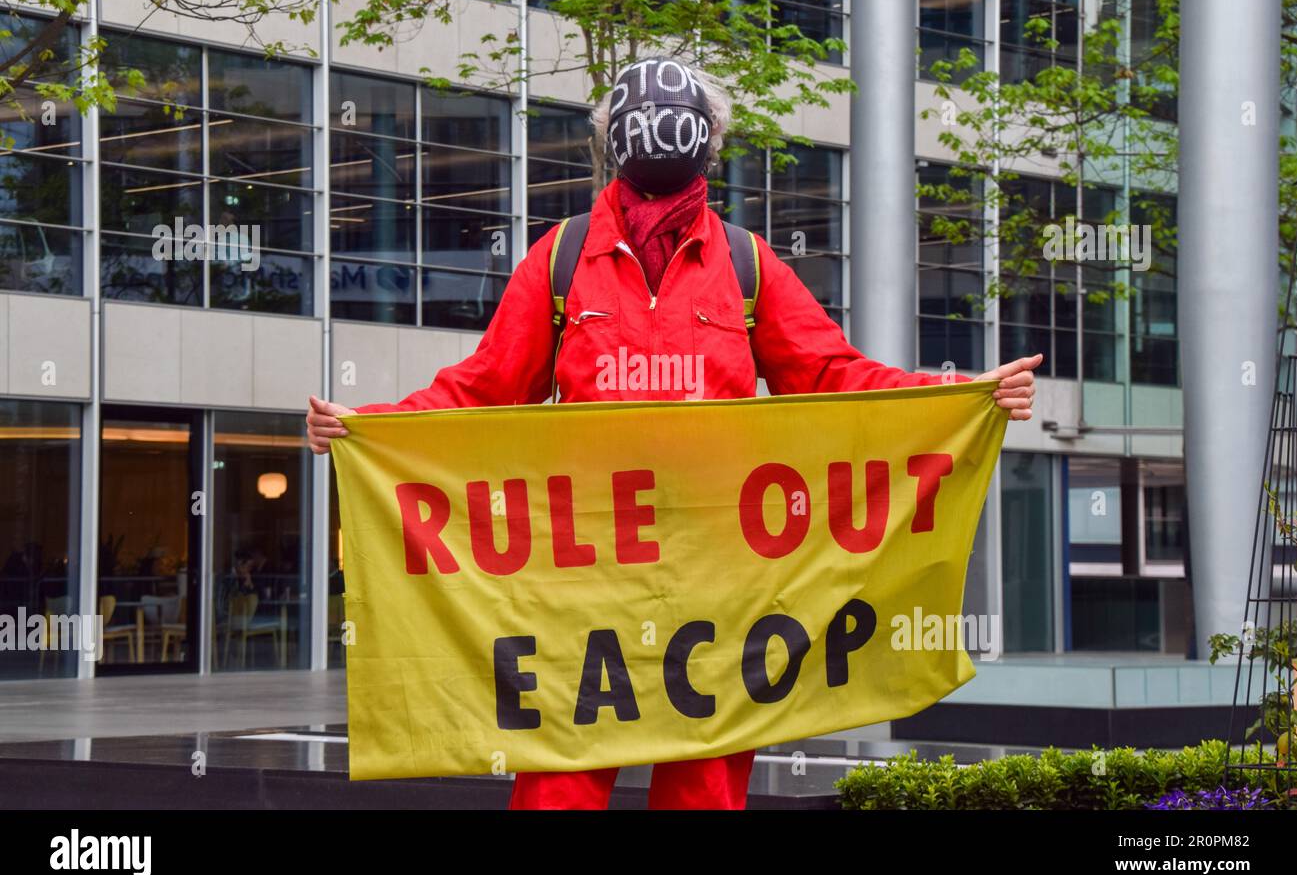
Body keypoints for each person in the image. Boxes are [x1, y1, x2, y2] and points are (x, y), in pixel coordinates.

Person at [307, 56, 1041, 810]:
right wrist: (372, 428)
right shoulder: (560, 260)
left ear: (710, 141)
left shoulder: (749, 265)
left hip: (719, 582)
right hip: (580, 579)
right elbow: (488, 387)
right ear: (613, 143)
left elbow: (832, 376)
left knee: (704, 790)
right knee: (560, 781)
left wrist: (962, 395)